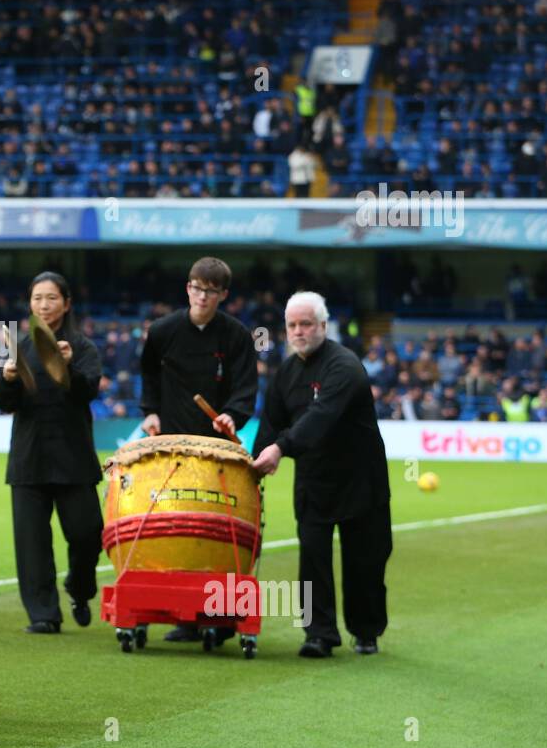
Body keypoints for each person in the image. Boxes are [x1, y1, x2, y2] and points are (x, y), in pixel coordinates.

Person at [251, 291, 392, 657]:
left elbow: (320, 417)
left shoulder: (344, 366)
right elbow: (271, 423)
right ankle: (319, 634)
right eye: (292, 325)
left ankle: (366, 632)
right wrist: (251, 464)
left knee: (365, 561)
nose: (298, 331)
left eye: (306, 324)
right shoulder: (285, 372)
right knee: (313, 557)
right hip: (314, 481)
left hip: (361, 480)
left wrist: (281, 448)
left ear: (324, 326)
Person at [138, 256, 258, 643]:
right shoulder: (161, 331)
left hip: (217, 450)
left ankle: (220, 618)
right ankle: (184, 616)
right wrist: (150, 413)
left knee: (218, 529)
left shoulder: (237, 336)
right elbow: (149, 377)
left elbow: (245, 387)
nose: (201, 296)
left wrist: (231, 415)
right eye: (196, 287)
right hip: (172, 444)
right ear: (187, 288)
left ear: (223, 295)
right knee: (178, 524)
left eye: (210, 290)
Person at [0, 271, 103, 635]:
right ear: (30, 303)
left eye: (52, 297)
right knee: (32, 543)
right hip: (29, 457)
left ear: (67, 303)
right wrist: (5, 380)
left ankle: (80, 586)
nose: (44, 304)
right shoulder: (20, 347)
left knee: (89, 533)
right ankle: (43, 614)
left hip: (74, 458)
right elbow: (3, 401)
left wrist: (68, 366)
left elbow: (88, 391)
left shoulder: (83, 348)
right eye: (38, 297)